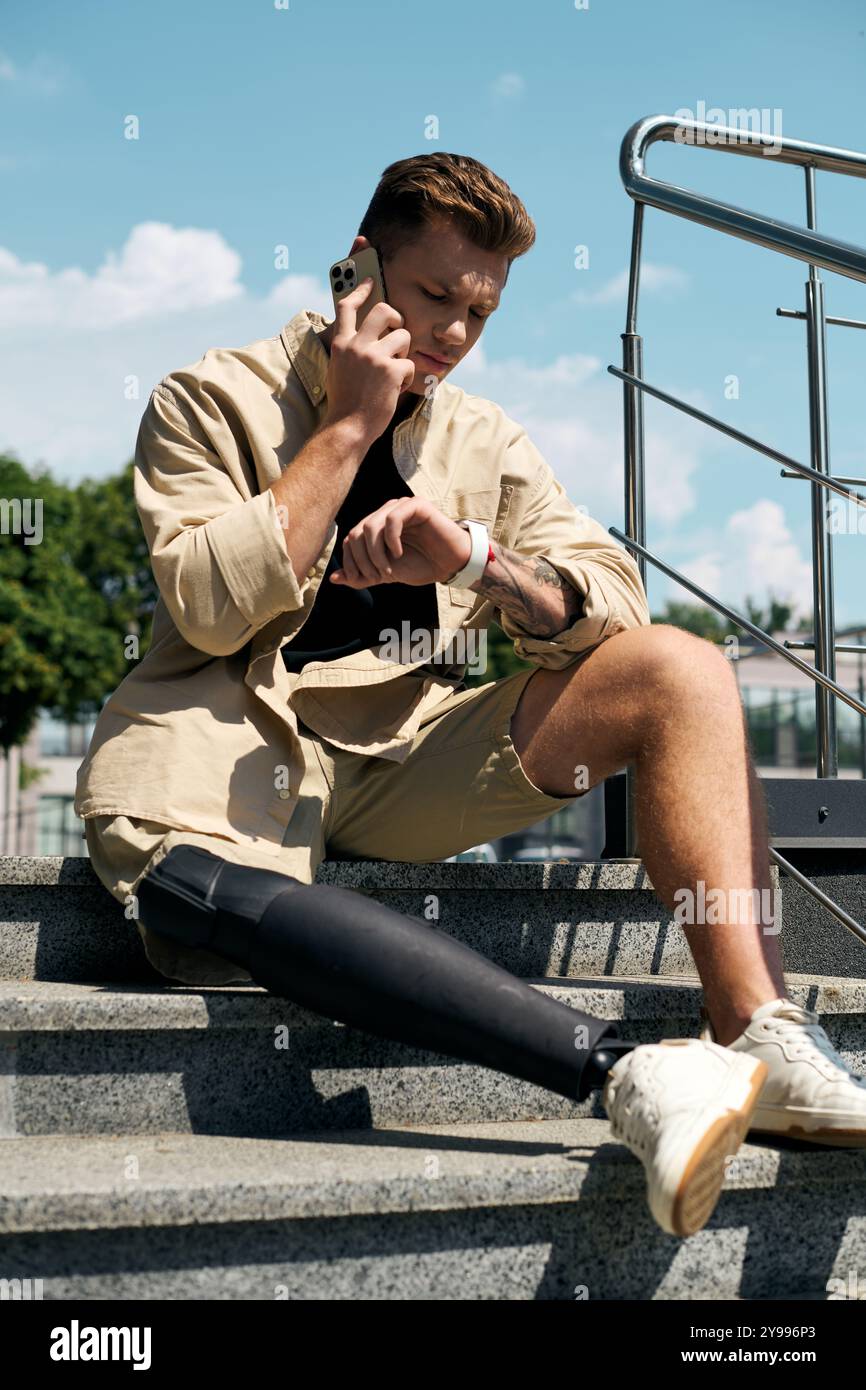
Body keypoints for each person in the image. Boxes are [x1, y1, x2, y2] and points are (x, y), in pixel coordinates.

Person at [75, 151, 866, 1243]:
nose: (452, 332)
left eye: (479, 311)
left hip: (405, 759)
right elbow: (209, 608)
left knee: (681, 667)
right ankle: (627, 1073)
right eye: (432, 294)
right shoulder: (208, 397)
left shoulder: (484, 441)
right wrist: (350, 425)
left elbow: (617, 614)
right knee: (192, 884)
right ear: (358, 269)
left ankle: (756, 1032)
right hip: (220, 749)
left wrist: (480, 563)